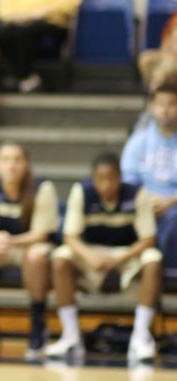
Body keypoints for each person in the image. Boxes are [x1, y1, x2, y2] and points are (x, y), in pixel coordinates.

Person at [46, 153, 162, 365]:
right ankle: (70, 336)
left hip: (127, 253)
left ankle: (141, 336)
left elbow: (148, 238)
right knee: (60, 257)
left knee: (153, 258)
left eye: (111, 178)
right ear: (93, 179)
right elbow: (70, 236)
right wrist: (89, 256)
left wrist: (121, 258)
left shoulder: (137, 193)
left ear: (120, 178)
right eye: (101, 179)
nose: (106, 184)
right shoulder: (82, 192)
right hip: (93, 251)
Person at [0, 143, 59, 360]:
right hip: (1, 245)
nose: (12, 165)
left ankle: (38, 321)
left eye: (17, 160)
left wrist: (12, 240)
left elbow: (41, 234)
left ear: (26, 164)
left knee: (35, 256)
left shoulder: (42, 188)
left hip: (29, 244)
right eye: (6, 160)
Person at [120, 79, 177, 279]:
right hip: (144, 205)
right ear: (151, 107)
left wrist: (171, 201)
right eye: (161, 104)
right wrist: (146, 200)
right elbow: (128, 181)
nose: (165, 110)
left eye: (172, 104)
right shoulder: (137, 142)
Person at [138, 12, 177, 90]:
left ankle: (158, 91)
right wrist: (166, 52)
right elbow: (166, 39)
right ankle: (150, 89)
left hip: (174, 59)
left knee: (164, 69)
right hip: (168, 53)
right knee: (146, 58)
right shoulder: (175, 19)